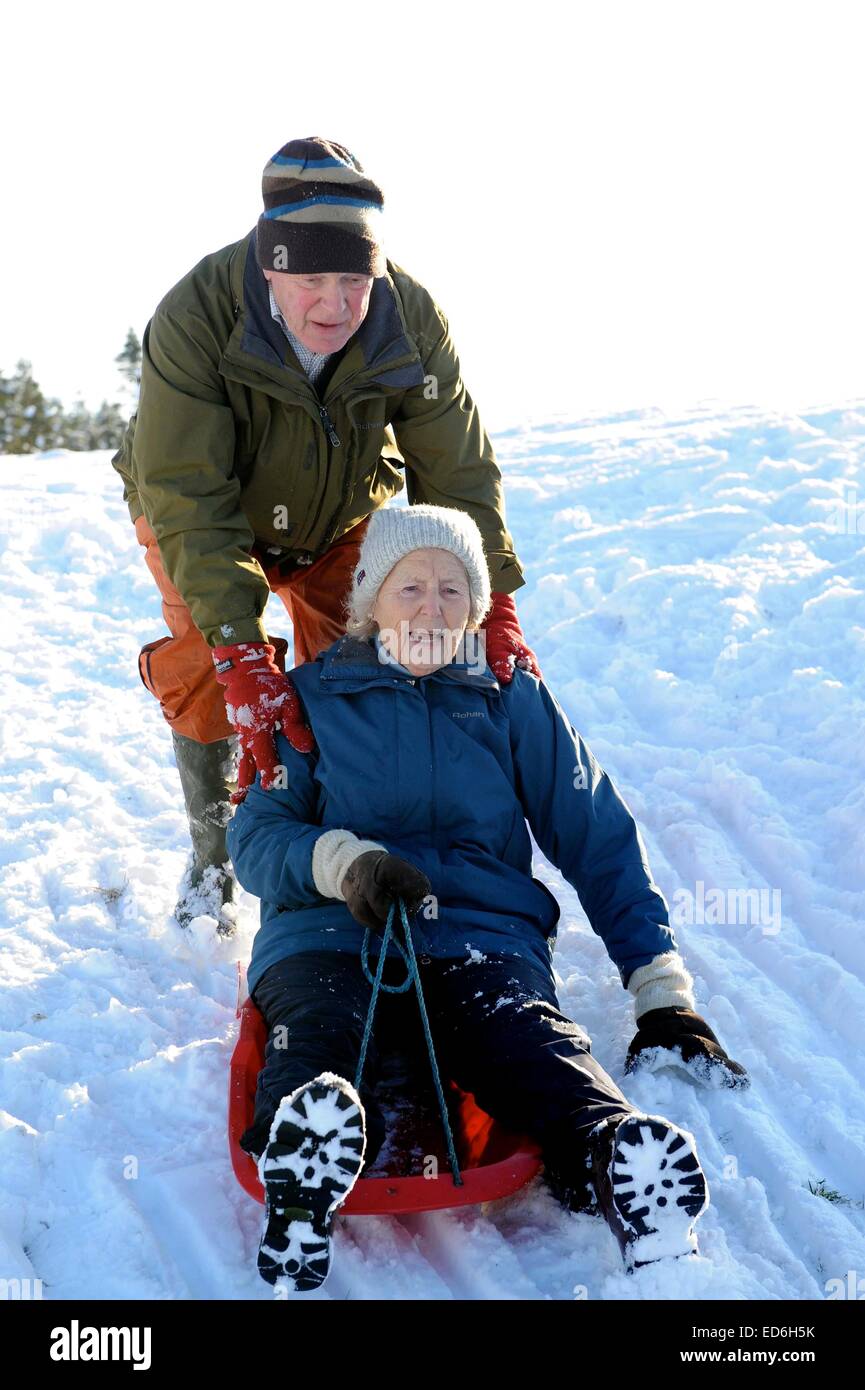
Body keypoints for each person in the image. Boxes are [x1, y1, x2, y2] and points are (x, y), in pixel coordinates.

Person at [225, 504, 749, 1292]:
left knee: (525, 1041)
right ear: (371, 599)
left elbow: (594, 833)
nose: (430, 608)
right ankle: (304, 1160)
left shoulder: (508, 698)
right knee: (322, 1026)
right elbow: (257, 838)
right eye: (410, 589)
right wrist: (343, 862)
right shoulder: (310, 700)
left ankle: (618, 1161)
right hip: (331, 931)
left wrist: (659, 990)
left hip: (479, 935)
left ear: (474, 607)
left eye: (450, 590)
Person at [110, 136, 538, 930]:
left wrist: (496, 605)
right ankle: (216, 854)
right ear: (270, 265)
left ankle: (346, 847)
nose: (336, 304)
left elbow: (455, 470)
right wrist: (240, 648)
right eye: (312, 279)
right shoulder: (194, 315)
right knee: (211, 665)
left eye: (354, 279)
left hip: (339, 509)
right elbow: (188, 492)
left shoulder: (408, 316)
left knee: (358, 663)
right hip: (204, 504)